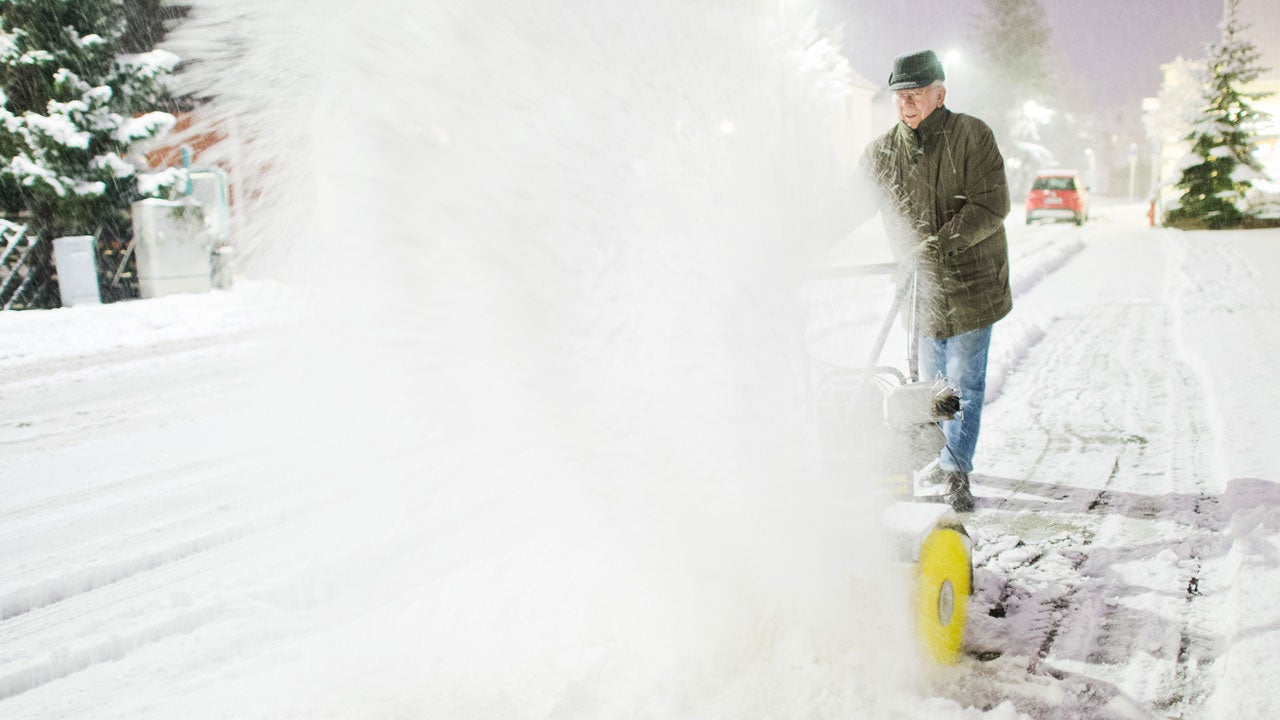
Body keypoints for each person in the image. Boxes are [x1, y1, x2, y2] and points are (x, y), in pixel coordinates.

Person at [857, 49, 1012, 512]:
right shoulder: (883, 154)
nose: (907, 104)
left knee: (960, 385)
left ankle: (955, 471)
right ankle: (939, 457)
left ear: (940, 93)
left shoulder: (972, 136)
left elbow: (991, 205)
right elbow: (850, 205)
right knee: (928, 386)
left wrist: (942, 244)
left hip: (972, 284)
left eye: (917, 94)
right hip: (921, 289)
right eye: (900, 96)